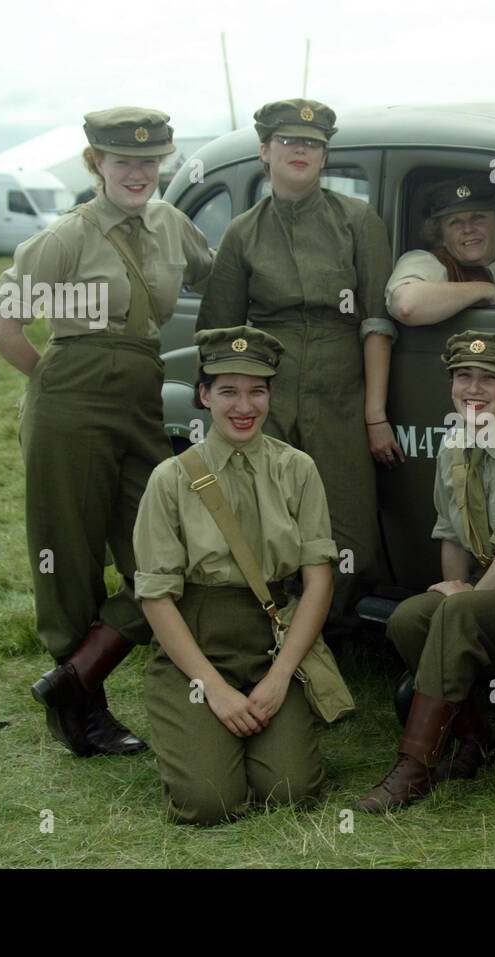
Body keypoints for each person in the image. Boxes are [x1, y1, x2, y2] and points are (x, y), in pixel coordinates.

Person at [0, 107, 214, 758]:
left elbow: (216, 279)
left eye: (149, 161)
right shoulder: (65, 237)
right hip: (69, 401)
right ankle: (87, 715)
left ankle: (73, 678)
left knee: (167, 555)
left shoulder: (173, 227)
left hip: (142, 399)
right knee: (69, 555)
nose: (138, 173)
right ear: (96, 164)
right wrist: (52, 384)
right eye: (122, 161)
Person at [196, 98, 399, 639]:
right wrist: (236, 402)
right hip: (267, 387)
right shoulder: (243, 232)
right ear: (265, 152)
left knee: (347, 518)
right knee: (265, 511)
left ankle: (330, 628)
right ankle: (270, 624)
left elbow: (377, 321)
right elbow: (219, 331)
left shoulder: (357, 220)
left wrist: (373, 413)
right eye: (288, 142)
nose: (300, 151)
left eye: (312, 144)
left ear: (325, 155)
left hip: (342, 386)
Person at [355, 330, 495, 812]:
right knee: (410, 617)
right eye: (462, 377)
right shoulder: (454, 443)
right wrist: (451, 590)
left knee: (455, 613)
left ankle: (414, 766)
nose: (472, 389)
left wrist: (465, 598)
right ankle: (473, 738)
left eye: (488, 380)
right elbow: (451, 532)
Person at [134, 326, 335, 824]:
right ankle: (202, 731)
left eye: (257, 391)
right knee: (209, 803)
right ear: (204, 395)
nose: (243, 406)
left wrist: (282, 674)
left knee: (292, 792)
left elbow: (318, 582)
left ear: (270, 395)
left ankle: (252, 732)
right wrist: (215, 689)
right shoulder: (172, 478)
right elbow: (156, 597)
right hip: (197, 640)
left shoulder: (298, 469)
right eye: (228, 391)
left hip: (272, 638)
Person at [385, 179, 495, 325]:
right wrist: (487, 290)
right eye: (455, 222)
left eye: (478, 217)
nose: (468, 229)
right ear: (441, 235)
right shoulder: (427, 262)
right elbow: (406, 305)